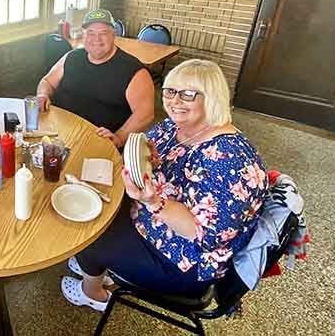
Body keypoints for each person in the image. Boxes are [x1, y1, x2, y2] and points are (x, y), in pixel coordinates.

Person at [61, 59, 269, 311]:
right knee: (91, 203)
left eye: (188, 94)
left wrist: (153, 202)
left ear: (212, 97)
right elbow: (145, 154)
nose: (174, 101)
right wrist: (146, 156)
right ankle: (95, 266)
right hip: (149, 218)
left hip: (182, 261)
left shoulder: (231, 161)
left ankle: (92, 292)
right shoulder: (176, 126)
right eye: (170, 91)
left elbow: (204, 236)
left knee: (90, 235)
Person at [36, 9, 154, 148]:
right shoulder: (72, 57)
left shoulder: (134, 71)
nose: (96, 39)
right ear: (83, 35)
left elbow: (145, 114)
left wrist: (119, 138)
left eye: (103, 33)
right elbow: (47, 81)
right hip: (59, 132)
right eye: (90, 33)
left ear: (113, 35)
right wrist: (43, 94)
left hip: (99, 141)